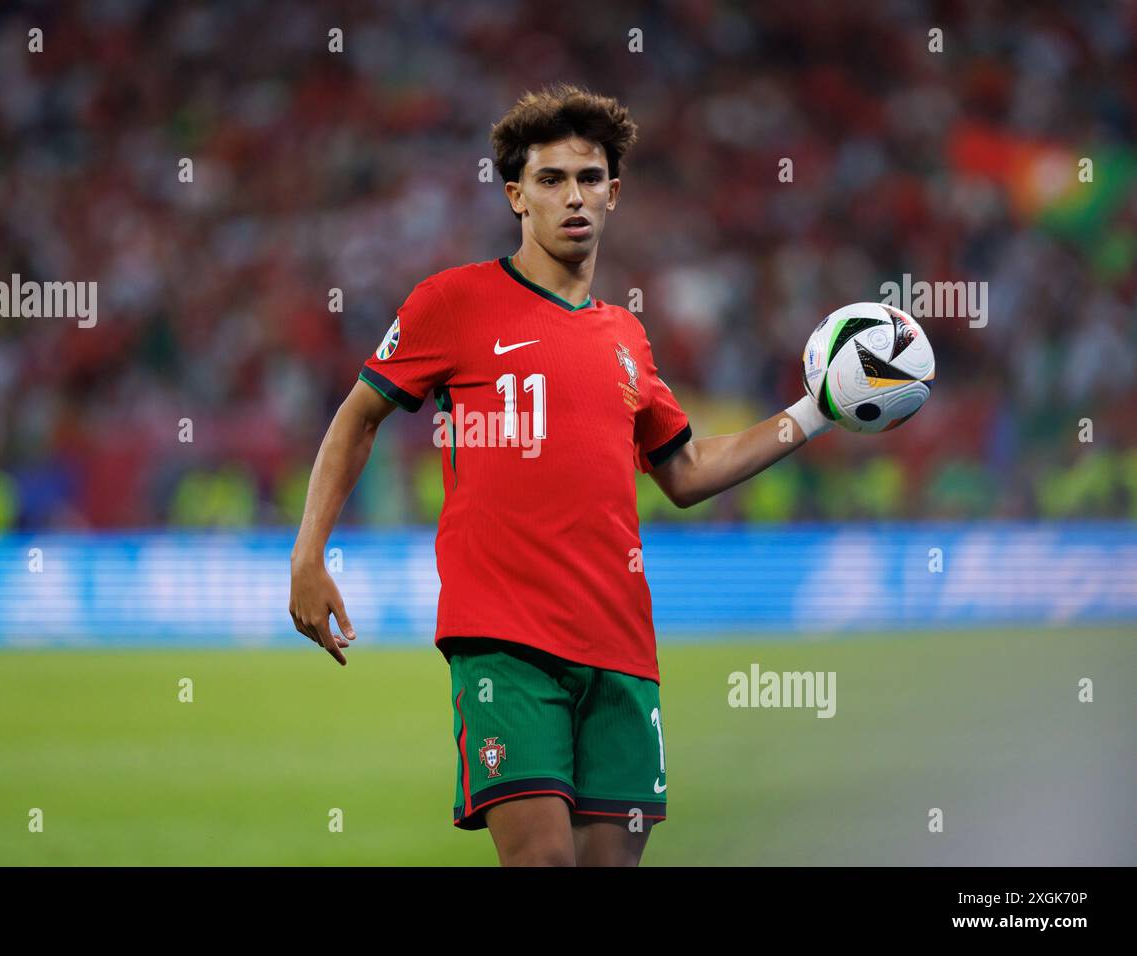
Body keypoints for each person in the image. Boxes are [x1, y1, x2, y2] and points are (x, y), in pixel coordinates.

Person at [288, 83, 834, 866]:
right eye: (550, 180)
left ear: (614, 191)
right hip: (504, 641)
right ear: (515, 195)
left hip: (619, 648)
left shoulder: (627, 338)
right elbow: (356, 417)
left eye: (589, 177)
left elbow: (682, 469)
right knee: (543, 862)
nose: (572, 196)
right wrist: (309, 553)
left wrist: (814, 412)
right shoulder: (454, 301)